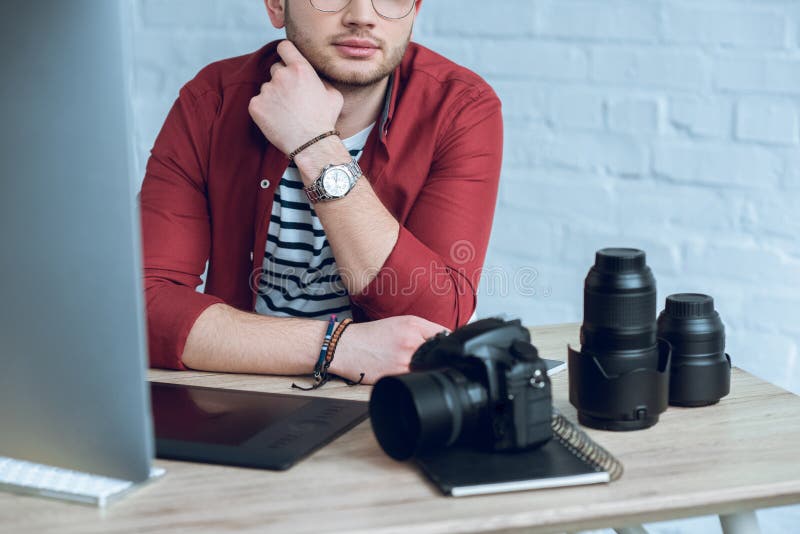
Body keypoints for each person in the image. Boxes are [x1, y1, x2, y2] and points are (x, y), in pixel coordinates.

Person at [139, 0, 503, 385]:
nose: (362, 15)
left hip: (384, 397)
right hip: (242, 383)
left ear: (415, 9)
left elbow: (437, 320)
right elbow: (141, 306)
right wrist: (338, 346)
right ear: (278, 6)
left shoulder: (460, 108)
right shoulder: (211, 101)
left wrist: (315, 145)